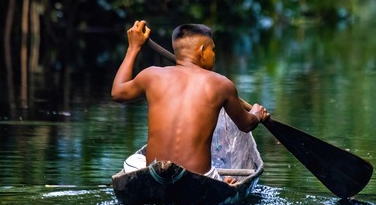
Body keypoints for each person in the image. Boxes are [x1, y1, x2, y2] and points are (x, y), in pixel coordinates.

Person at [111, 21, 269, 184]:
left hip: (155, 175)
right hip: (200, 179)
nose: (214, 55)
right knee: (215, 179)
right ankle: (221, 182)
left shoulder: (151, 75)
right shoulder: (222, 84)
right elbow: (245, 125)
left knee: (135, 161)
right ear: (202, 51)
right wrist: (256, 114)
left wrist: (133, 48)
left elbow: (117, 93)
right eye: (212, 49)